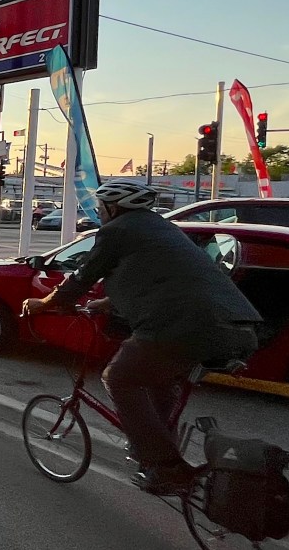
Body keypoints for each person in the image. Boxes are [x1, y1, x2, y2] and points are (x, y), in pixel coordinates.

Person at [22, 180, 262, 495]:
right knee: (160, 383)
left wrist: (43, 303)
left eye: (100, 206)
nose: (98, 212)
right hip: (238, 328)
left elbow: (80, 278)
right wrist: (107, 302)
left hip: (182, 327)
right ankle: (157, 457)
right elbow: (164, 277)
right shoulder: (163, 229)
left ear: (113, 207)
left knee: (119, 377)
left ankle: (168, 468)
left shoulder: (116, 231)